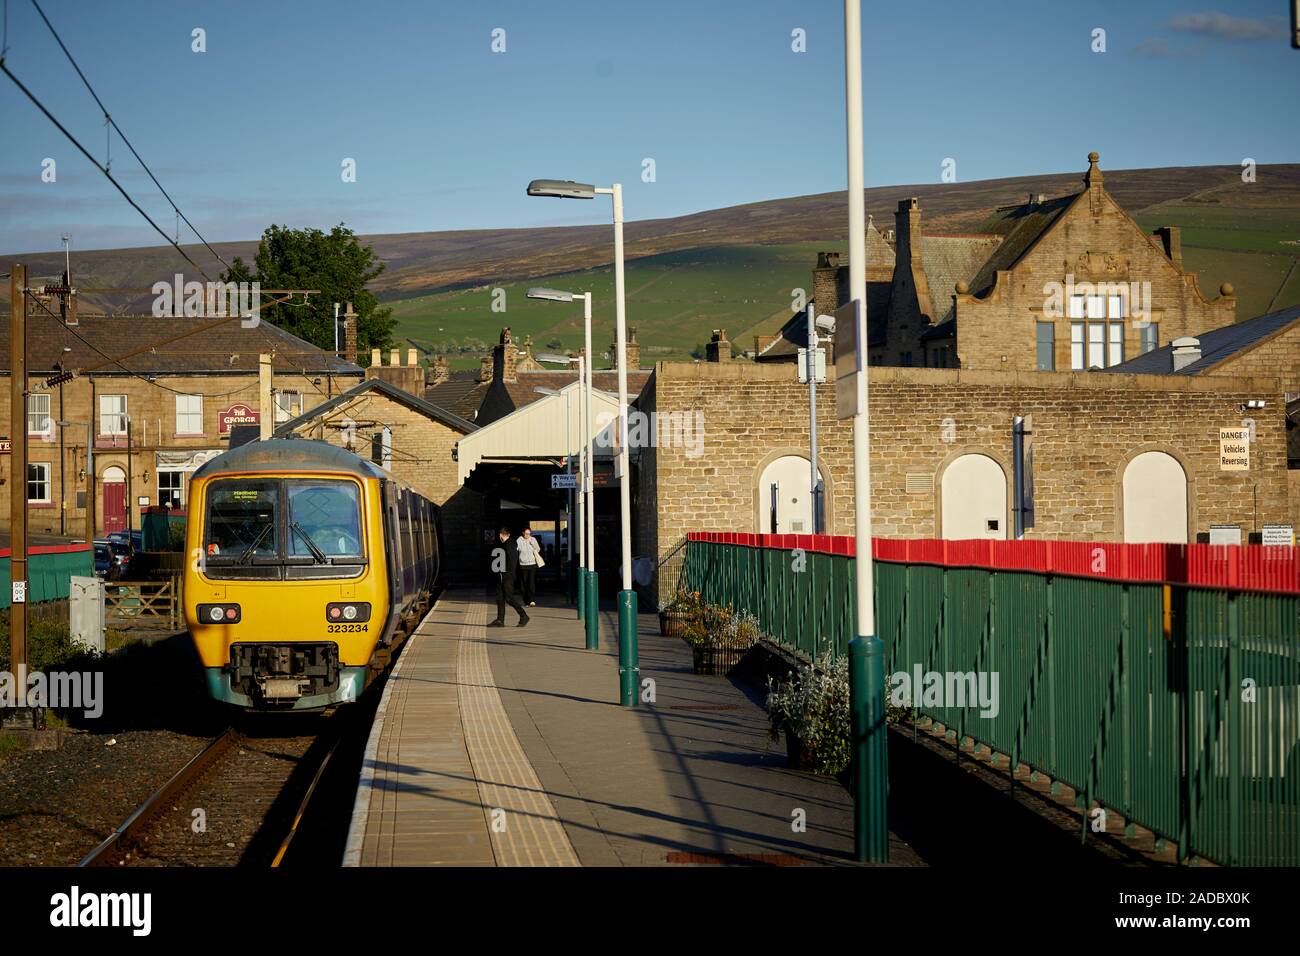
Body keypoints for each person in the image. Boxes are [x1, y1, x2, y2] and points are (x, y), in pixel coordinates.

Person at [488, 527, 528, 628]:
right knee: (500, 598)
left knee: (509, 598)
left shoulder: (509, 544)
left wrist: (506, 573)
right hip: (503, 575)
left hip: (507, 576)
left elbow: (511, 560)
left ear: (501, 535)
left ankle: (524, 616)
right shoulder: (507, 544)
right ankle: (500, 620)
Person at [516, 527, 543, 607]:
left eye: (529, 533)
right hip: (523, 564)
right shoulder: (519, 540)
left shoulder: (533, 539)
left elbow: (538, 549)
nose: (528, 535)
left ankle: (532, 600)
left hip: (532, 564)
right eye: (526, 533)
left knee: (531, 583)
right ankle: (526, 601)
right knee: (524, 584)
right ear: (523, 533)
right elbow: (516, 549)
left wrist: (532, 543)